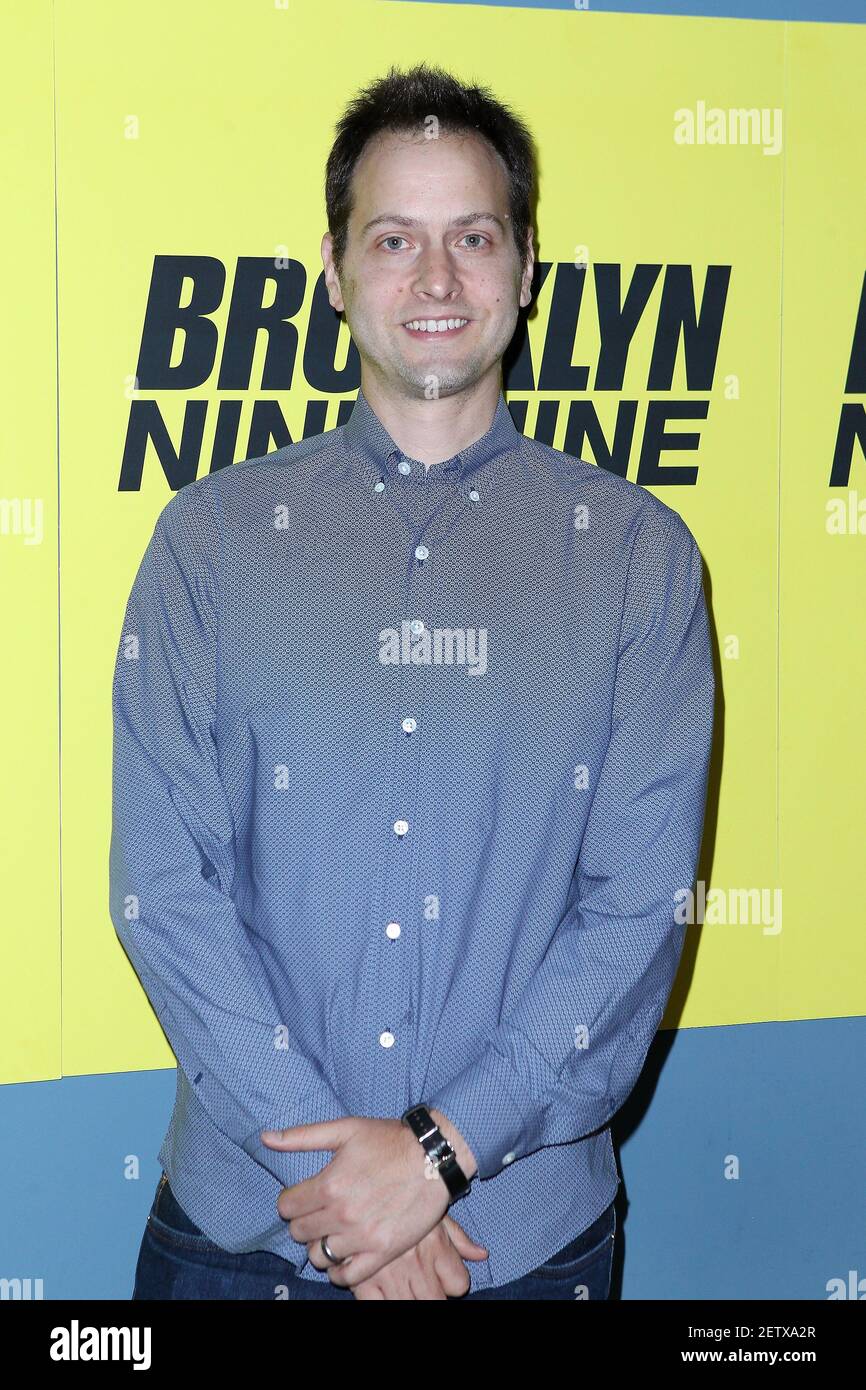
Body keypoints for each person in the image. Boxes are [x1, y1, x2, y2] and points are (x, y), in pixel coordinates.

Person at [112, 62, 714, 1301]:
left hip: (518, 1243)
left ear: (525, 266)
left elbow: (637, 911)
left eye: (471, 237)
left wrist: (438, 1155)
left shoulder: (638, 563)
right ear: (332, 271)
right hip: (243, 1237)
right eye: (393, 239)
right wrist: (348, 1184)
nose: (434, 281)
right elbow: (164, 890)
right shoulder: (209, 542)